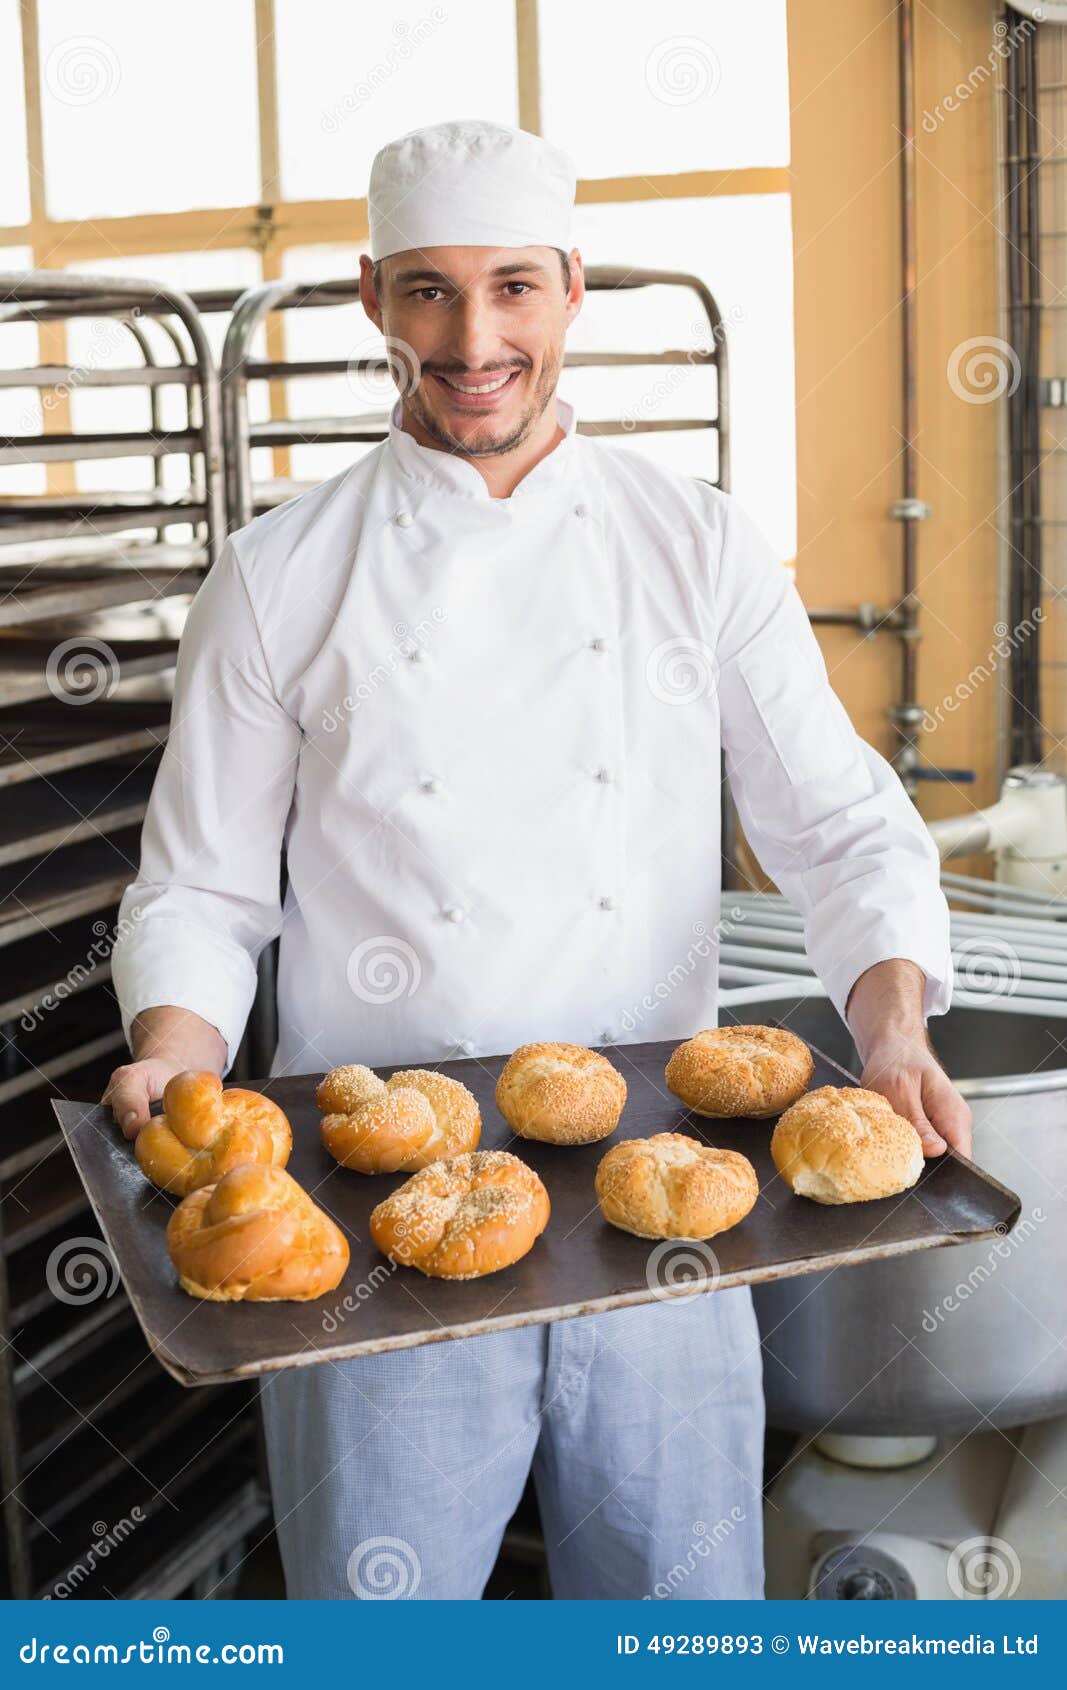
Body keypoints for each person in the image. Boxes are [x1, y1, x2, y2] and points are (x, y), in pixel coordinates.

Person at [105, 119, 971, 1600]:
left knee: (682, 1626)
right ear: (372, 299)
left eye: (512, 286)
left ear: (572, 287)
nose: (474, 341)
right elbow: (202, 885)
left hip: (662, 1219)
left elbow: (838, 825)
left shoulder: (694, 546)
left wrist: (893, 1033)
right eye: (430, 292)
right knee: (385, 1635)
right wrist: (173, 1059)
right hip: (377, 1235)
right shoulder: (277, 574)